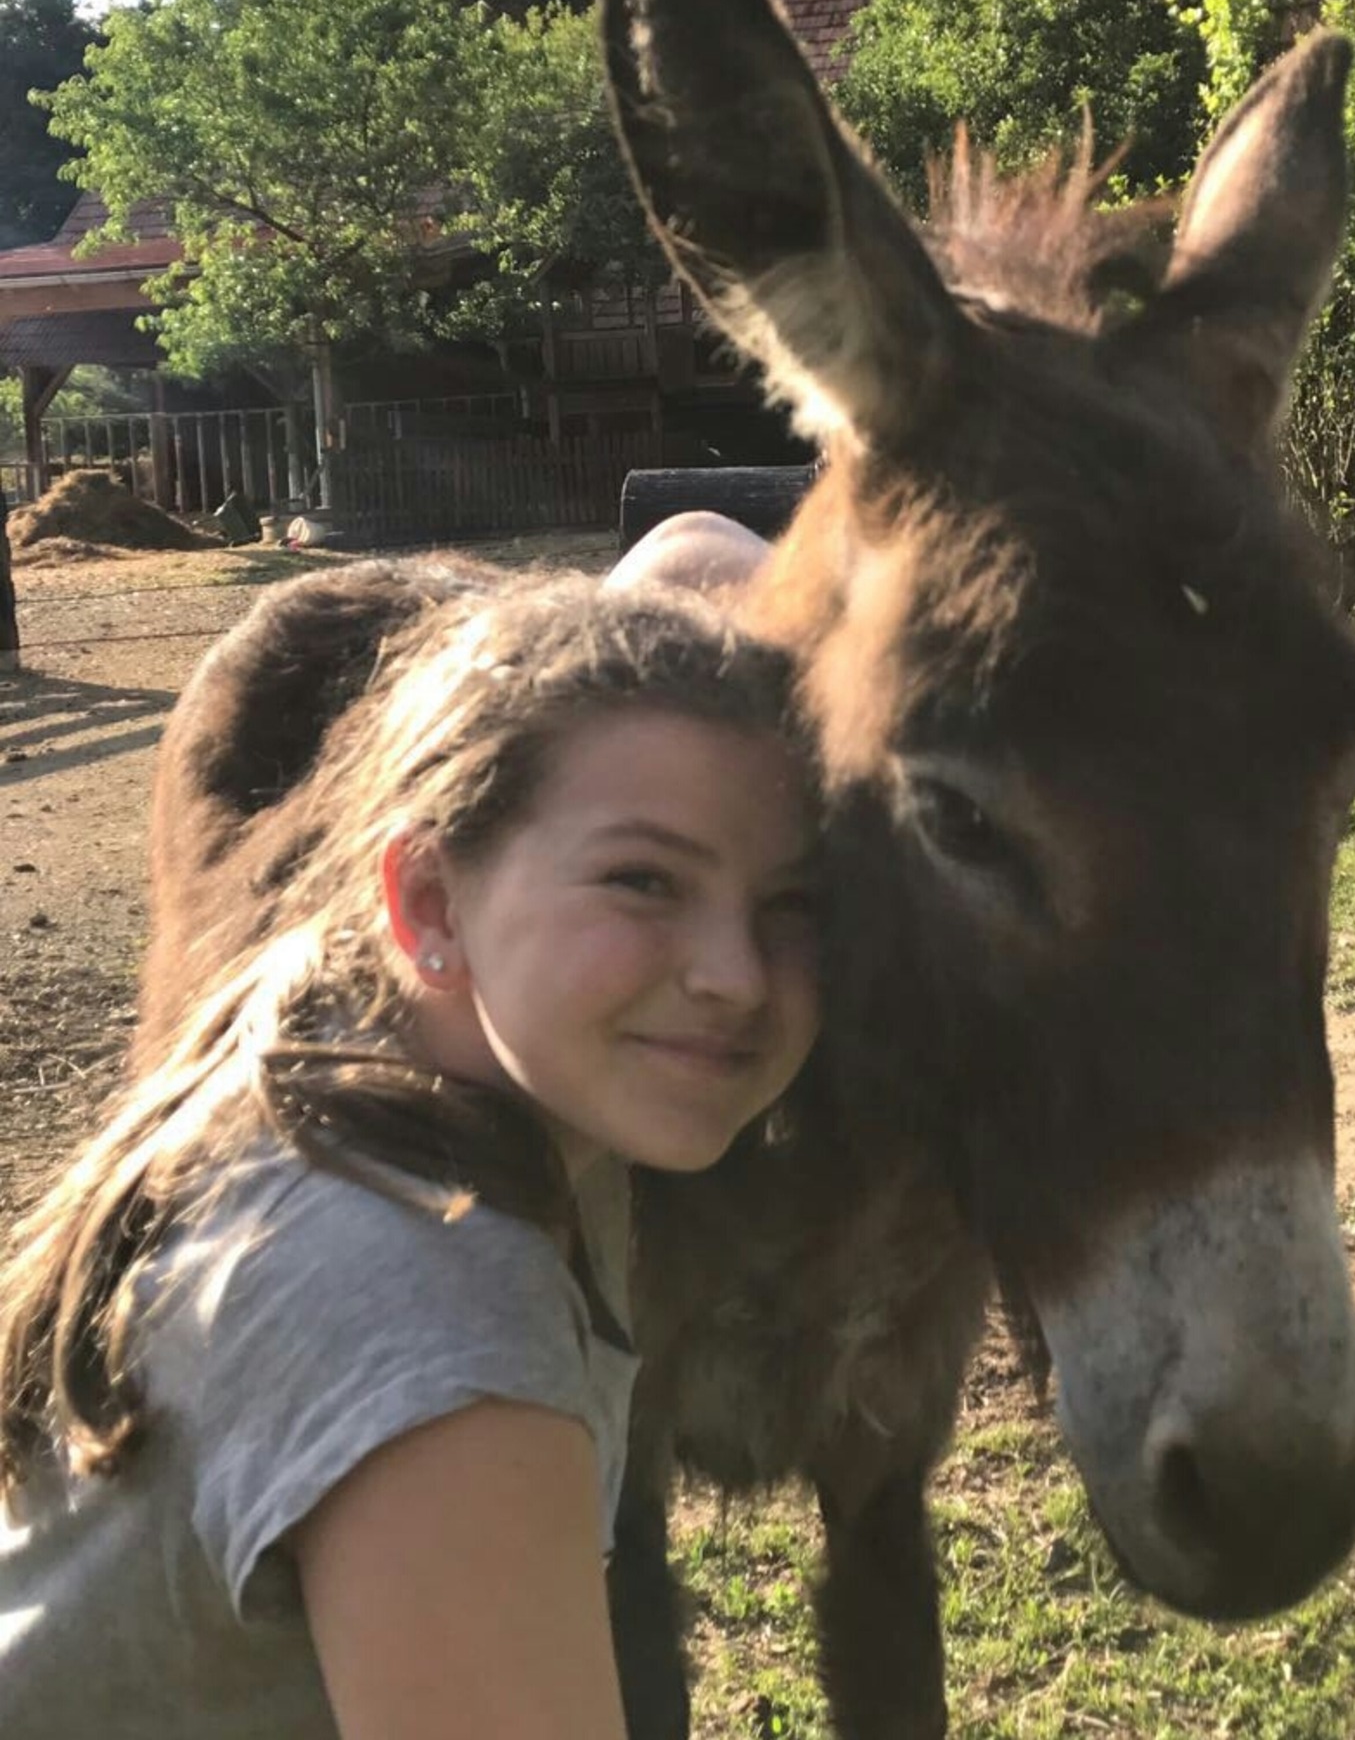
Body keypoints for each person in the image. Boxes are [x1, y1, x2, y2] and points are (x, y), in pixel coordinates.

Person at [0, 571, 820, 1740]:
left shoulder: (325, 1053)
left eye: (793, 904)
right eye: (643, 879)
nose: (736, 973)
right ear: (428, 897)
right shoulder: (429, 1313)